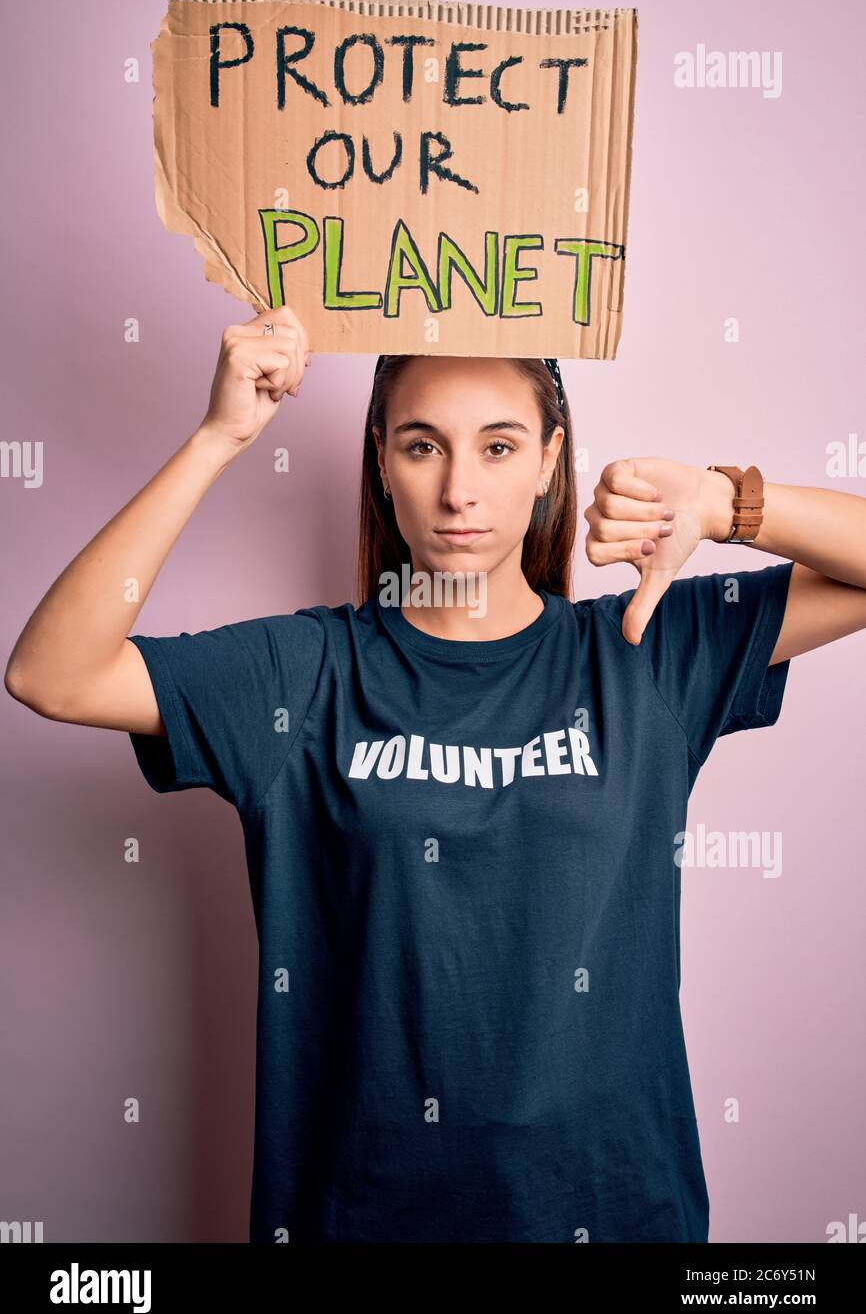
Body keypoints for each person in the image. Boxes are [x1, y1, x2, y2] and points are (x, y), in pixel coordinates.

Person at [6, 303, 866, 1244]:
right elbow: (52, 672)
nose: (460, 489)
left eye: (499, 448)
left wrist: (722, 501)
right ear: (380, 461)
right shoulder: (306, 674)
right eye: (423, 446)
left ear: (549, 461)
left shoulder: (644, 651)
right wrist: (220, 437)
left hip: (614, 1214)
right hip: (361, 1219)